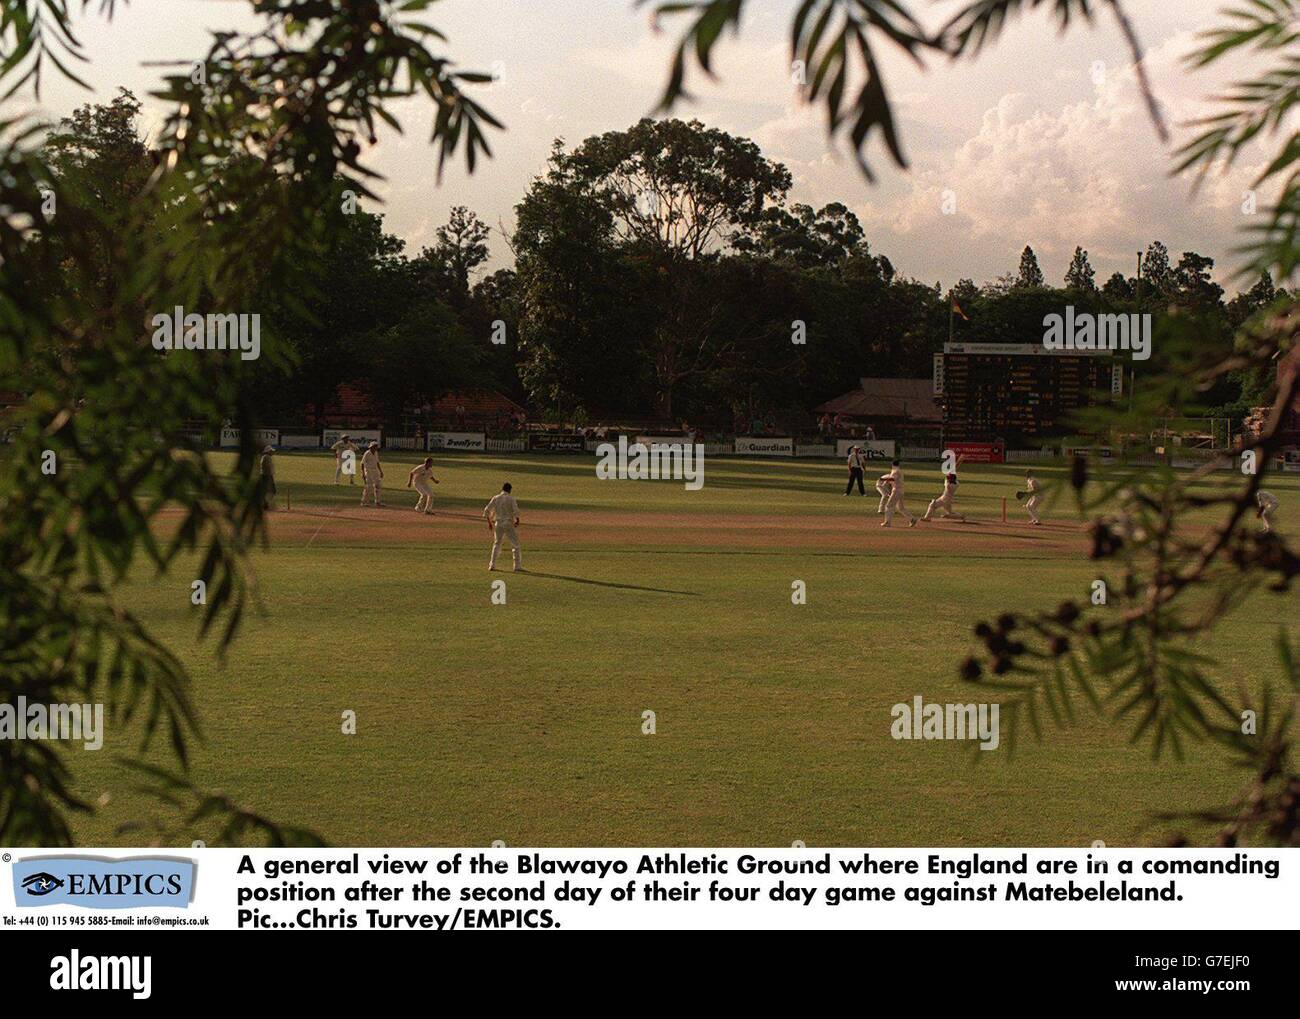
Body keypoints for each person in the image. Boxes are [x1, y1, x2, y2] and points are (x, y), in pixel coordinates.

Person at [484, 482, 522, 572]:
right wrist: (517, 520)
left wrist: (489, 523)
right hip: (508, 523)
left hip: (498, 523)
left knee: (497, 544)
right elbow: (516, 510)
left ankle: (492, 565)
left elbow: (487, 510)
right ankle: (517, 566)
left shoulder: (496, 498)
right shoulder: (511, 499)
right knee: (515, 544)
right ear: (509, 490)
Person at [880, 460, 917, 527]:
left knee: (889, 506)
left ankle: (887, 522)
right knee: (901, 508)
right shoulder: (897, 470)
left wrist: (883, 479)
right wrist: (885, 482)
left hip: (896, 491)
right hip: (900, 490)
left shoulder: (895, 471)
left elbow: (893, 479)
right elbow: (892, 479)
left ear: (892, 465)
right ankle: (912, 519)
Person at [360, 441, 384, 507]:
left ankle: (378, 502)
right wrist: (363, 473)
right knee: (369, 486)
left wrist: (381, 471)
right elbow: (362, 463)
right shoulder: (367, 453)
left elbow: (377, 462)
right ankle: (364, 501)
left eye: (375, 447)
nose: (374, 448)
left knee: (378, 485)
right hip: (368, 470)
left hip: (375, 470)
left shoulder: (376, 453)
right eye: (373, 447)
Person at [259, 445, 276, 509]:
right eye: (271, 451)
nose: (272, 452)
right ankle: (265, 504)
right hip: (267, 476)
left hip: (265, 475)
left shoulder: (265, 457)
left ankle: (265, 504)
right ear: (268, 451)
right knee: (272, 490)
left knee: (265, 491)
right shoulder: (267, 457)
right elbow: (267, 467)